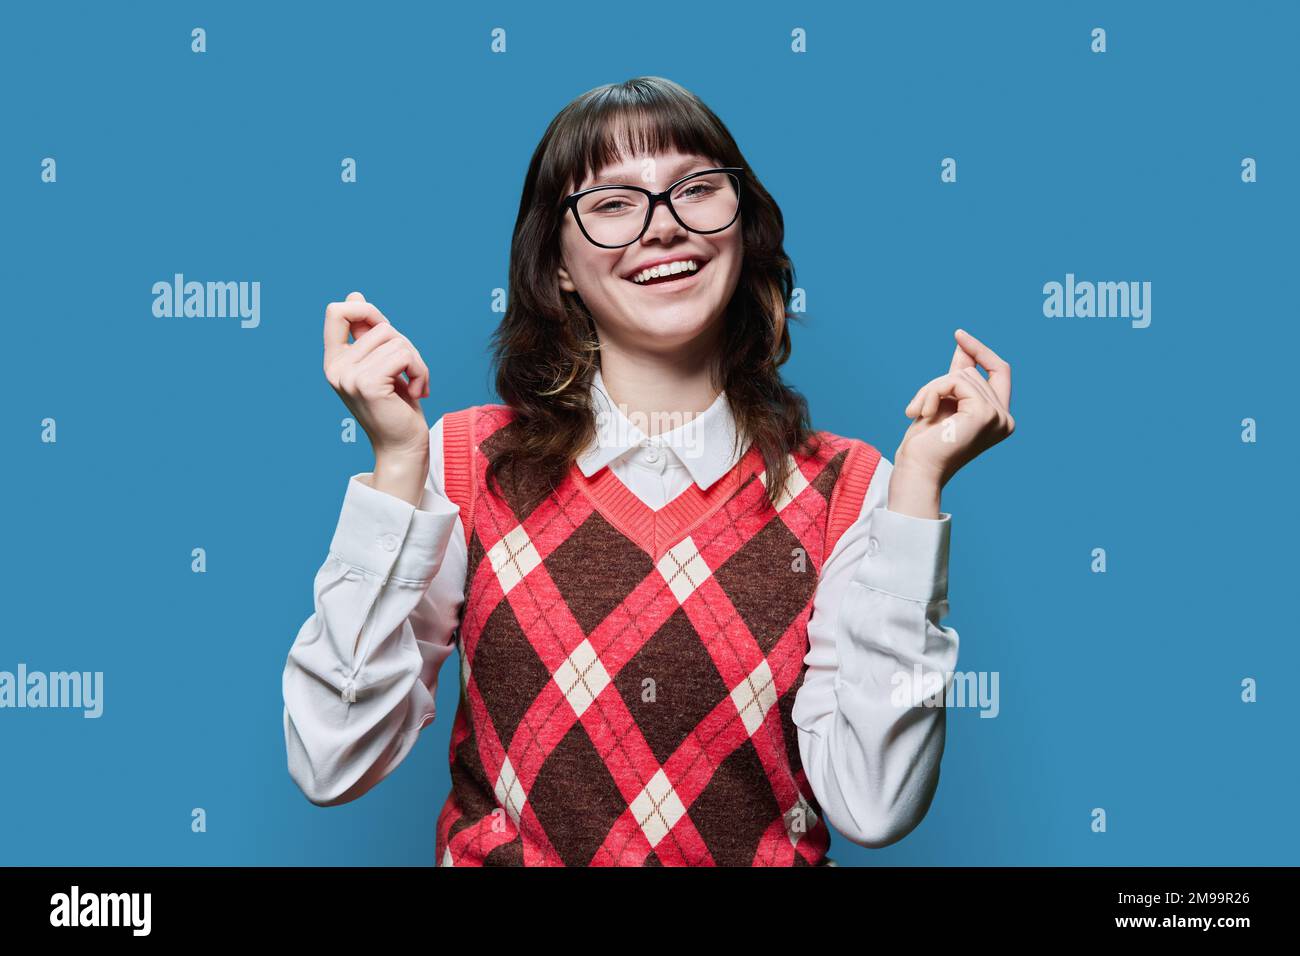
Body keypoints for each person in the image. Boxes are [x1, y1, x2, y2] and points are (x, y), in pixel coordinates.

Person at [282, 76, 1015, 866]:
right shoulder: (465, 466)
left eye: (696, 190)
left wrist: (916, 494)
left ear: (743, 227)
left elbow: (874, 806)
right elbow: (332, 760)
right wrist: (396, 467)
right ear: (556, 264)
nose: (662, 228)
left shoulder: (849, 487)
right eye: (612, 204)